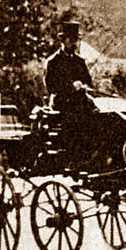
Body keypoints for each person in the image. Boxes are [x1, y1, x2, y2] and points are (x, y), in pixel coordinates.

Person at [44, 20, 98, 162]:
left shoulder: (80, 61)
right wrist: (71, 87)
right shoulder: (53, 62)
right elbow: (51, 87)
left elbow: (88, 81)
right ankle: (75, 157)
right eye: (71, 40)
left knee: (100, 116)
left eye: (76, 40)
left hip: (81, 101)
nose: (74, 44)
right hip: (62, 103)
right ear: (63, 40)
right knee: (77, 118)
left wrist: (85, 86)